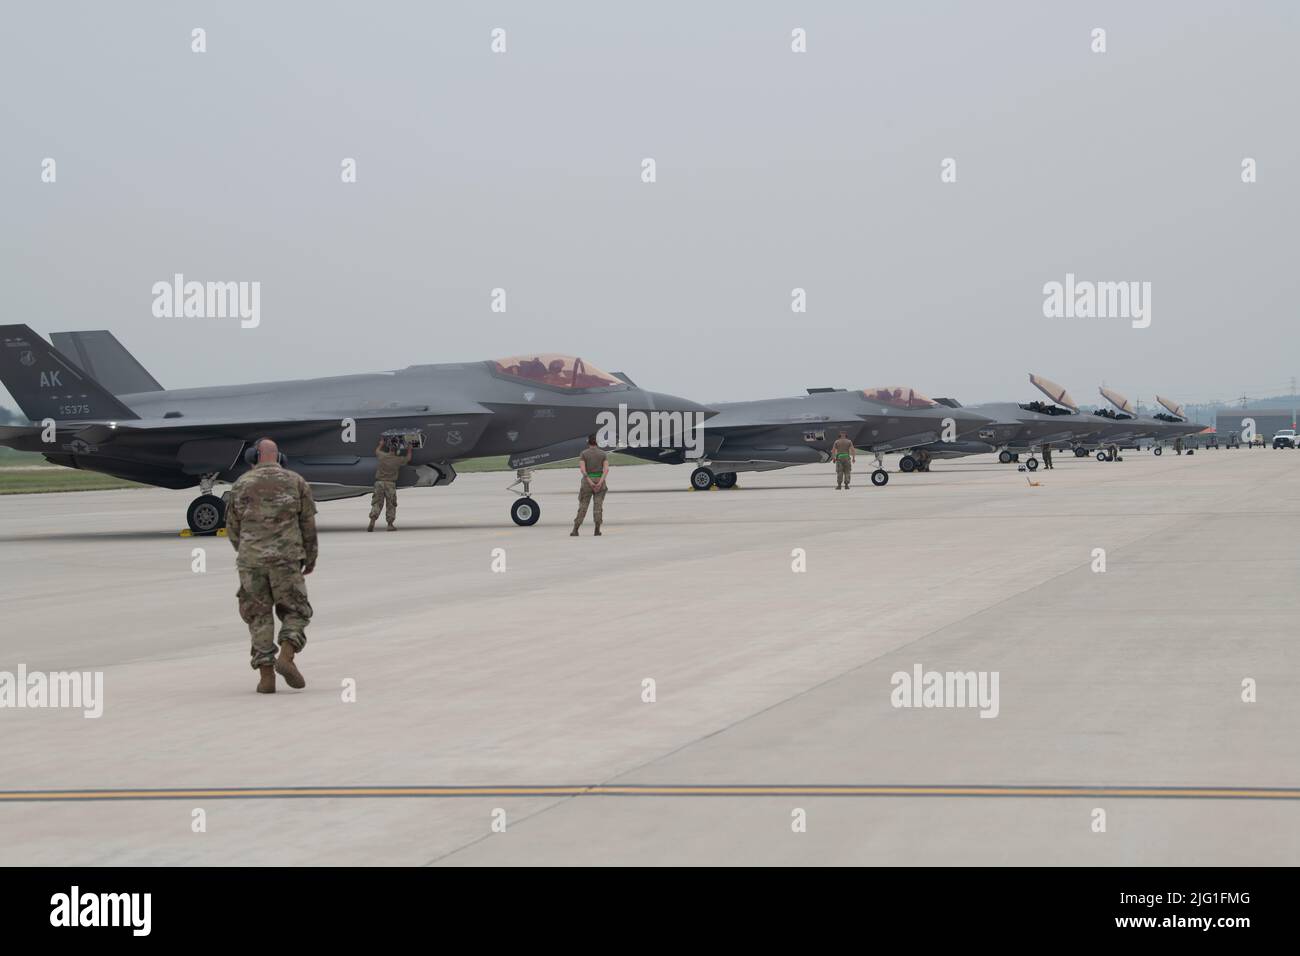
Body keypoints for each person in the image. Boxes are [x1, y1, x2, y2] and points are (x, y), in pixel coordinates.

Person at [226, 438, 317, 694]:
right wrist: (310, 558)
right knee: (296, 611)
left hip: (251, 561)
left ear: (254, 456)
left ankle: (266, 677)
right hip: (286, 560)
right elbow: (308, 525)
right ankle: (286, 657)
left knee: (259, 616)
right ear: (279, 457)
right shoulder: (296, 482)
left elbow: (233, 529)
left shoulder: (241, 485)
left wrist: (246, 553)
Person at [369, 436, 411, 532]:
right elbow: (408, 459)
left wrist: (381, 444)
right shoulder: (398, 460)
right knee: (391, 504)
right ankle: (390, 524)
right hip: (390, 484)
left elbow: (377, 451)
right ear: (396, 450)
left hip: (379, 483)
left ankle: (372, 520)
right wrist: (409, 449)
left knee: (377, 503)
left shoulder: (382, 456)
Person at [572, 434, 608, 536]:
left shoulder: (584, 454)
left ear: (588, 442)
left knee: (583, 506)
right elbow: (606, 470)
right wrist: (600, 482)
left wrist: (590, 482)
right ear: (597, 442)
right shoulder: (603, 454)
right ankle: (597, 529)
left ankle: (575, 529)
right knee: (598, 506)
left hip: (587, 483)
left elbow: (583, 470)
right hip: (600, 481)